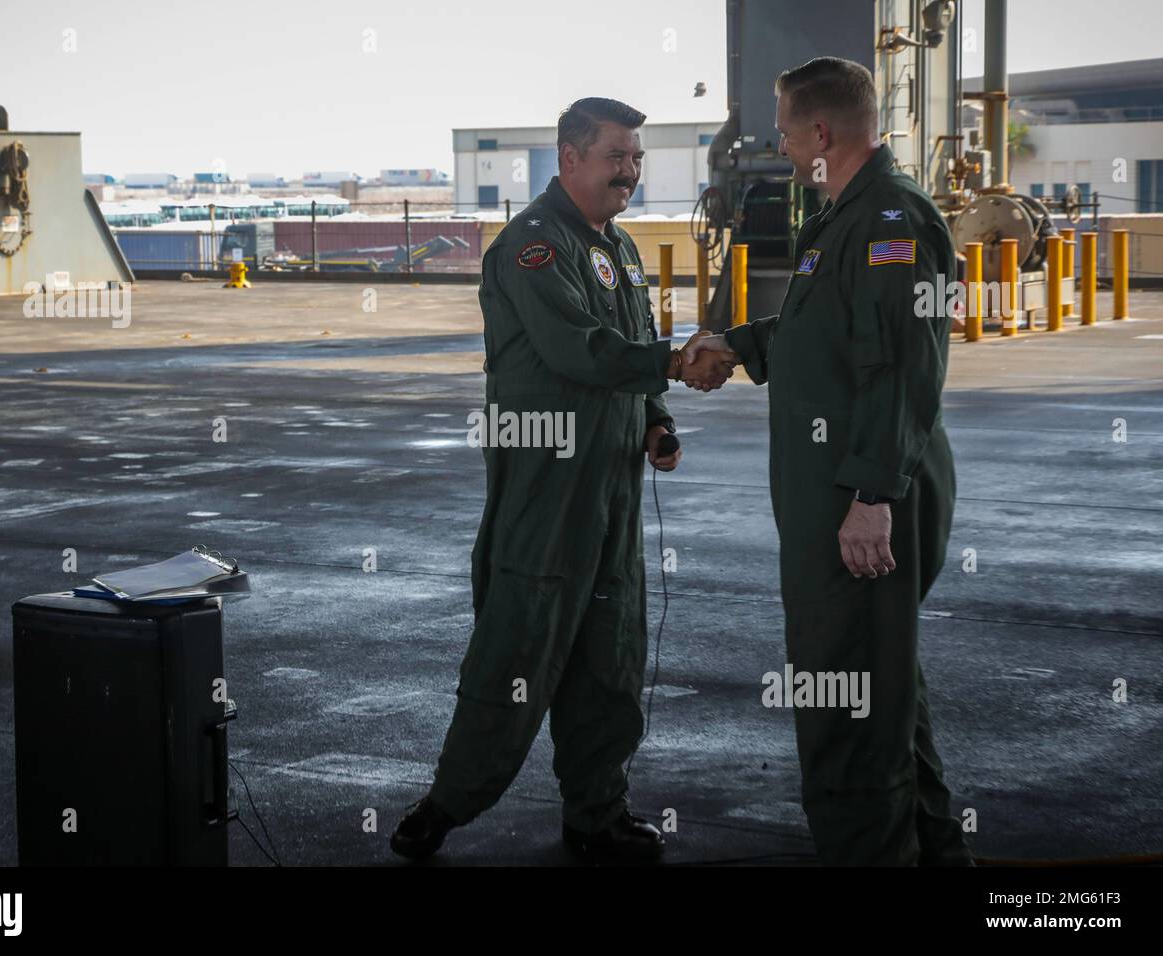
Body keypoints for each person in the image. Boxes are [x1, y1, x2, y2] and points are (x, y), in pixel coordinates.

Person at [391, 97, 736, 864]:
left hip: (610, 488)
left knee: (610, 661)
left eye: (637, 158)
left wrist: (655, 419)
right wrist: (675, 362)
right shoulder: (533, 248)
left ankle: (596, 814)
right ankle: (446, 805)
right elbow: (580, 350)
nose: (631, 171)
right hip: (547, 491)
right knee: (516, 653)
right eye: (616, 156)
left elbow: (631, 348)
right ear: (569, 158)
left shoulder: (620, 248)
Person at [686, 57, 973, 866]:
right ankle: (933, 851)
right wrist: (735, 345)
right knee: (880, 683)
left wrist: (873, 495)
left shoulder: (891, 222)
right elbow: (823, 340)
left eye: (782, 131)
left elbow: (902, 367)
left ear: (820, 132)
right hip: (838, 498)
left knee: (846, 699)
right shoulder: (842, 217)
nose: (778, 147)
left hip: (863, 498)